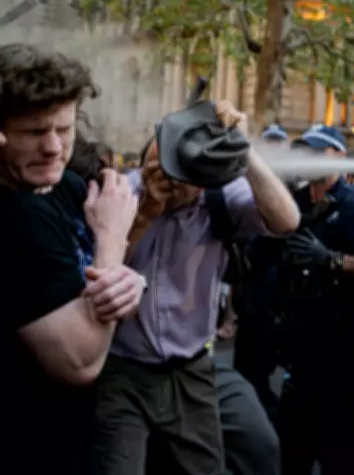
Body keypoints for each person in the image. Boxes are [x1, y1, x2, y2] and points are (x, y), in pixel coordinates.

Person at [91, 100, 299, 475]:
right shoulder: (124, 192)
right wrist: (145, 216)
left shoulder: (217, 197)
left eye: (182, 174)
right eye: (159, 168)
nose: (171, 182)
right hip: (122, 369)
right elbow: (102, 269)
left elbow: (286, 220)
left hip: (192, 369)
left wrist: (241, 147)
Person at [0, 44, 144, 475]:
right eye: (34, 132)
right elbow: (79, 362)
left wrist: (130, 281)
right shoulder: (10, 217)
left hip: (69, 440)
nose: (53, 147)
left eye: (64, 129)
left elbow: (102, 278)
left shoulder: (65, 188)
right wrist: (112, 241)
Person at [272, 124, 354, 475]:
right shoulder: (295, 203)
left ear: (339, 156)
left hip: (346, 358)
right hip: (302, 355)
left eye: (319, 150)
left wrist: (332, 260)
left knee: (346, 459)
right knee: (292, 456)